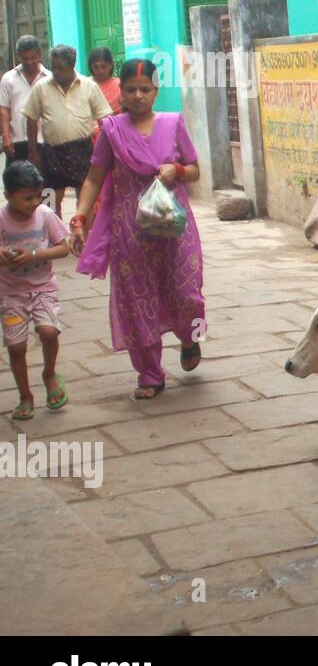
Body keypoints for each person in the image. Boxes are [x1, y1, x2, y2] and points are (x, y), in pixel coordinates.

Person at [69, 59, 206, 401]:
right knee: (138, 299)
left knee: (186, 291)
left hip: (174, 226)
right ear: (121, 92)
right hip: (130, 230)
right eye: (130, 89)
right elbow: (94, 178)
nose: (138, 95)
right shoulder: (111, 131)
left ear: (156, 91)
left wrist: (176, 170)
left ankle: (189, 339)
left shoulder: (173, 123)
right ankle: (150, 373)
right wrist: (80, 219)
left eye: (145, 89)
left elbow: (194, 170)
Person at [0, 159, 71, 420]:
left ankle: (49, 373)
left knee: (48, 332)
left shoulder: (45, 215)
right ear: (8, 195)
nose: (33, 203)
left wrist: (33, 254)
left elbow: (63, 248)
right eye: (26, 198)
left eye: (36, 197)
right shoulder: (2, 218)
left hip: (43, 288)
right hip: (11, 294)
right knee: (16, 347)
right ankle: (25, 395)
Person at [22, 45, 112, 217]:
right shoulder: (41, 87)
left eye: (60, 68)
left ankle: (85, 239)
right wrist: (33, 151)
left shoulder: (89, 86)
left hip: (82, 149)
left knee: (86, 197)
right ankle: (55, 238)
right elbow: (31, 118)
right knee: (50, 198)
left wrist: (108, 149)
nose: (55, 71)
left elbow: (104, 119)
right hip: (52, 151)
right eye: (53, 67)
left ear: (72, 66)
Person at [0, 35, 50, 164]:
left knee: (44, 182)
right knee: (16, 182)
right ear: (18, 56)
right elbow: (4, 108)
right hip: (17, 142)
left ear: (39, 55)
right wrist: (5, 136)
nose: (29, 62)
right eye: (25, 58)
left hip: (43, 142)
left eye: (33, 58)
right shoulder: (8, 79)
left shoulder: (49, 79)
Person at [88, 47, 122, 116]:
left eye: (104, 67)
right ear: (91, 67)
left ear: (111, 65)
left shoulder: (120, 85)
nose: (100, 71)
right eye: (96, 67)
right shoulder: (86, 84)